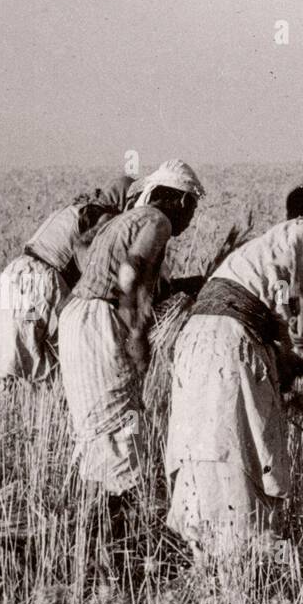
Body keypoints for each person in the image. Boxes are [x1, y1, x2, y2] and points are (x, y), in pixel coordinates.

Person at [164, 175, 303, 562]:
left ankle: (206, 554)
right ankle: (241, 558)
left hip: (200, 340)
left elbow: (269, 323)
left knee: (206, 443)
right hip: (230, 342)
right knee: (239, 449)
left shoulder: (266, 248)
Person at [59, 160, 204, 494]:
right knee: (122, 428)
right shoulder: (159, 219)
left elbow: (85, 249)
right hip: (100, 323)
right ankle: (117, 522)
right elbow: (129, 272)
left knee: (99, 430)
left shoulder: (124, 220)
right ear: (182, 201)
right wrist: (137, 333)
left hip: (77, 318)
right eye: (192, 209)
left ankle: (97, 520)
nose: (190, 219)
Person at [0, 176, 133, 398]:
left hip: (16, 272)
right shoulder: (106, 218)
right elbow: (89, 261)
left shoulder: (75, 208)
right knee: (50, 350)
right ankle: (31, 408)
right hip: (43, 281)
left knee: (2, 345)